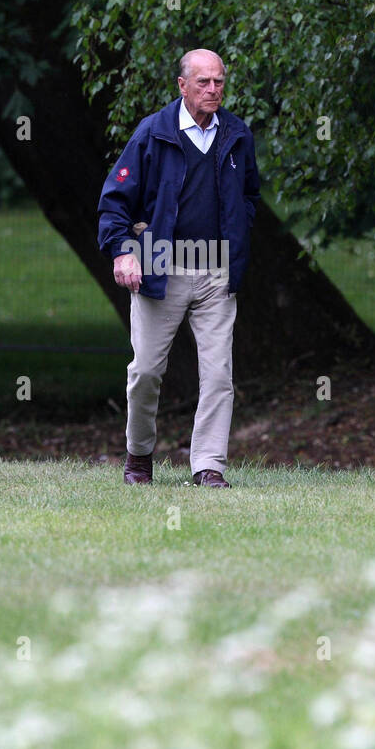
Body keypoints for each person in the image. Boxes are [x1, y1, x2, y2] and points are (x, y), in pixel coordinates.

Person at [97, 49, 260, 487]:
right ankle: (139, 457)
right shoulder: (153, 133)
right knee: (146, 371)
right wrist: (123, 251)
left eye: (219, 82)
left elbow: (249, 196)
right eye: (204, 82)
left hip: (216, 273)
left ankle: (208, 466)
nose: (213, 90)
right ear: (182, 85)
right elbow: (115, 201)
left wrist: (240, 229)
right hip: (159, 267)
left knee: (219, 375)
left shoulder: (237, 135)